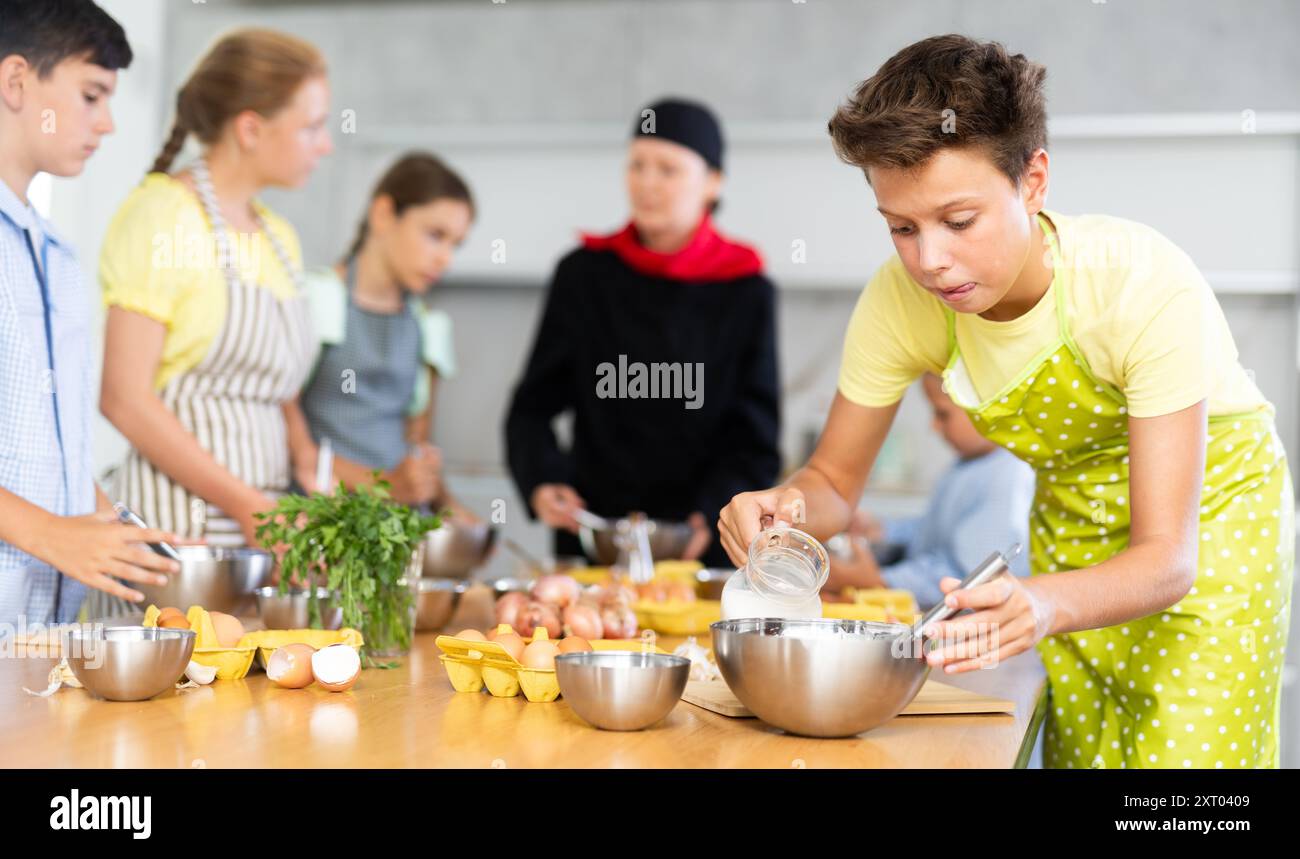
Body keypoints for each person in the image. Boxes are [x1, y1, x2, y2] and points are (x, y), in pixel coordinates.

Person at [719, 35, 1292, 768]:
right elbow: (831, 483)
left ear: (1033, 181)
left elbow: (1167, 558)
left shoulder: (1138, 286)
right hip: (1072, 537)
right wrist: (780, 507)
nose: (929, 260)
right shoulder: (900, 303)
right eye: (901, 227)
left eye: (959, 221)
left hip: (1207, 534)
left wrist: (1044, 601)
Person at [92, 29, 332, 617]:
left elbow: (279, 391)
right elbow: (123, 398)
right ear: (250, 128)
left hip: (264, 538)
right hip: (179, 537)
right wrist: (249, 506)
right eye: (311, 126)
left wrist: (308, 469)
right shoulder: (163, 215)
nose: (325, 145)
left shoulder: (280, 238)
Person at [506, 98, 780, 568]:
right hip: (594, 536)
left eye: (668, 169)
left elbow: (754, 436)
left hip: (700, 542)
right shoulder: (583, 275)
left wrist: (713, 510)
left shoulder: (745, 289)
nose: (647, 183)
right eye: (637, 165)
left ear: (713, 182)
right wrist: (543, 480)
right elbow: (531, 409)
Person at [0, 0, 182, 630]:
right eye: (91, 94)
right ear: (17, 81)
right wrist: (51, 533)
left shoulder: (59, 259)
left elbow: (54, 447)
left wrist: (120, 537)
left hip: (42, 631)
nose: (106, 124)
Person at [291, 152, 475, 517]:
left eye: (455, 245)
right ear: (383, 214)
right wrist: (384, 485)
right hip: (325, 526)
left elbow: (416, 446)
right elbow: (288, 445)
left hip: (399, 534)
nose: (446, 259)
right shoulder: (315, 301)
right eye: (435, 235)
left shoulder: (427, 328)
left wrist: (457, 513)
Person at [825, 374, 1034, 609]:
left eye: (942, 413)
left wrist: (881, 581)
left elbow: (969, 578)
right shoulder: (966, 466)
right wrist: (882, 529)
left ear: (989, 408)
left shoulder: (1007, 477)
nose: (934, 426)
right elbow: (934, 533)